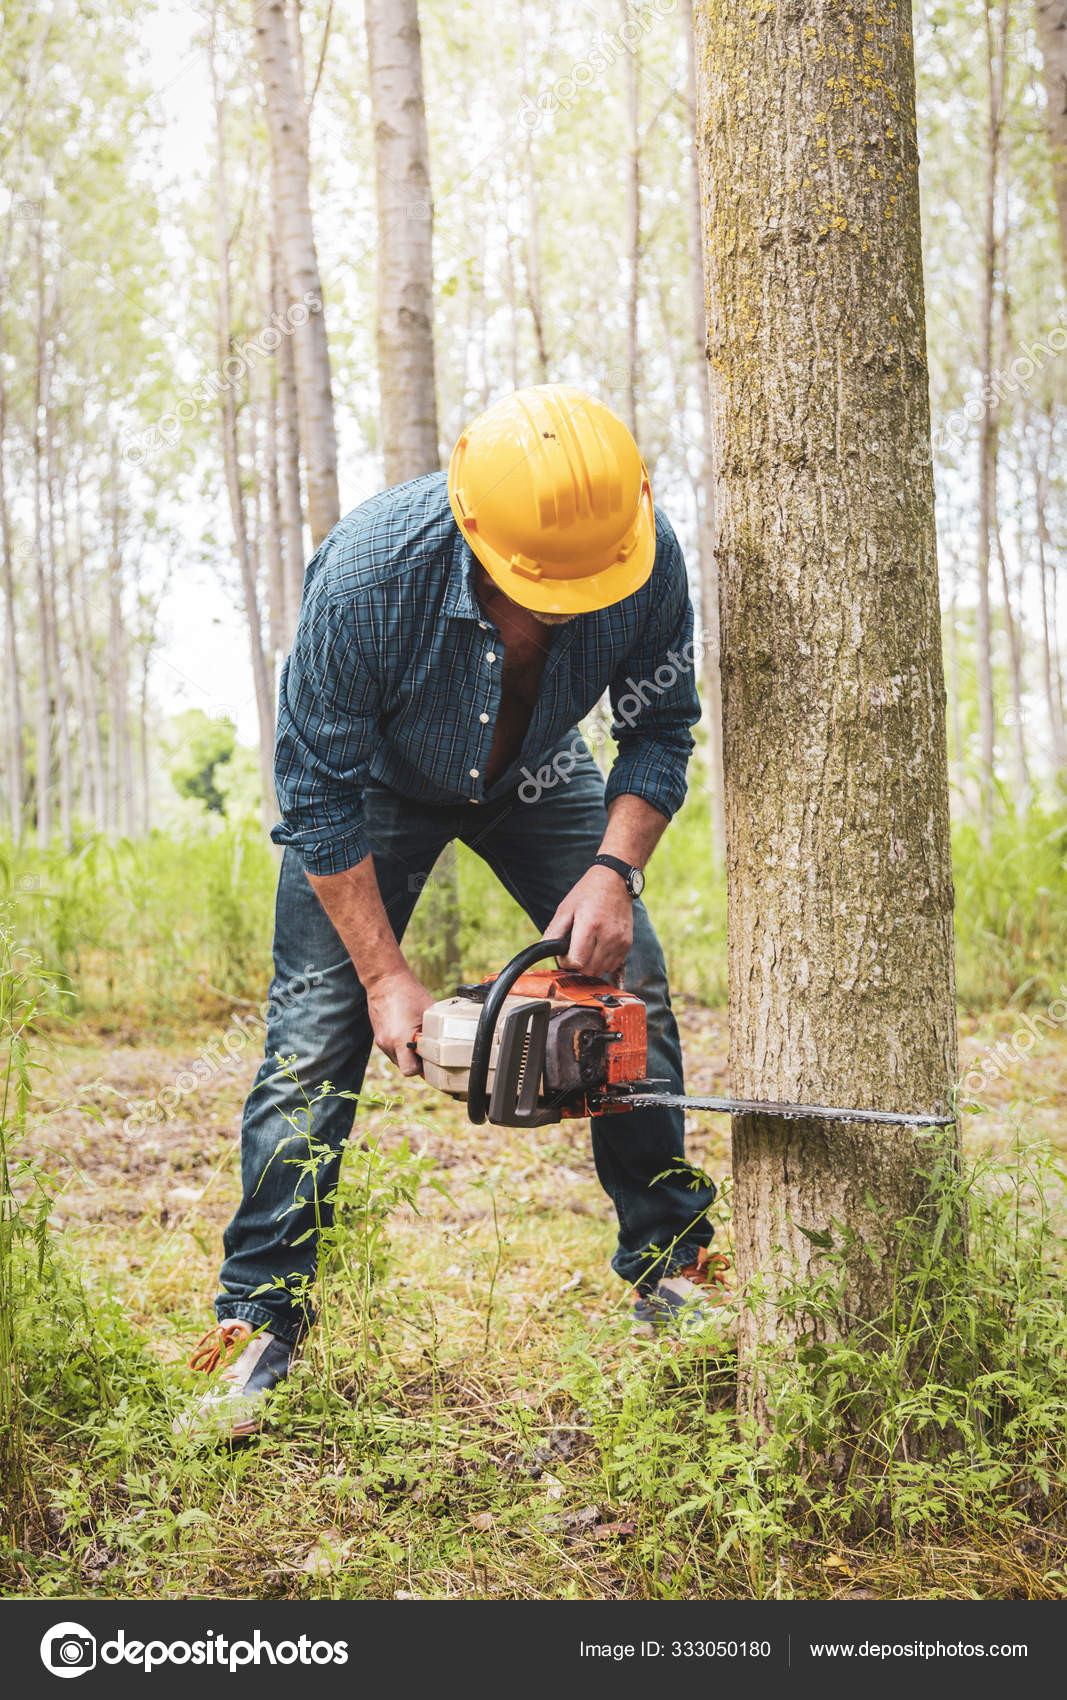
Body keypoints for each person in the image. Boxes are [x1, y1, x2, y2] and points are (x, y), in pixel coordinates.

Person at [180, 385, 721, 1441]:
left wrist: (613, 869)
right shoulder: (372, 572)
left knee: (629, 983)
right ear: (477, 535)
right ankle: (256, 1318)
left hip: (538, 768)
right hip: (373, 785)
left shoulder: (640, 550)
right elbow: (318, 797)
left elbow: (659, 727)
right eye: (540, 589)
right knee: (311, 1034)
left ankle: (672, 1262)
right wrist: (385, 975)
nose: (565, 606)